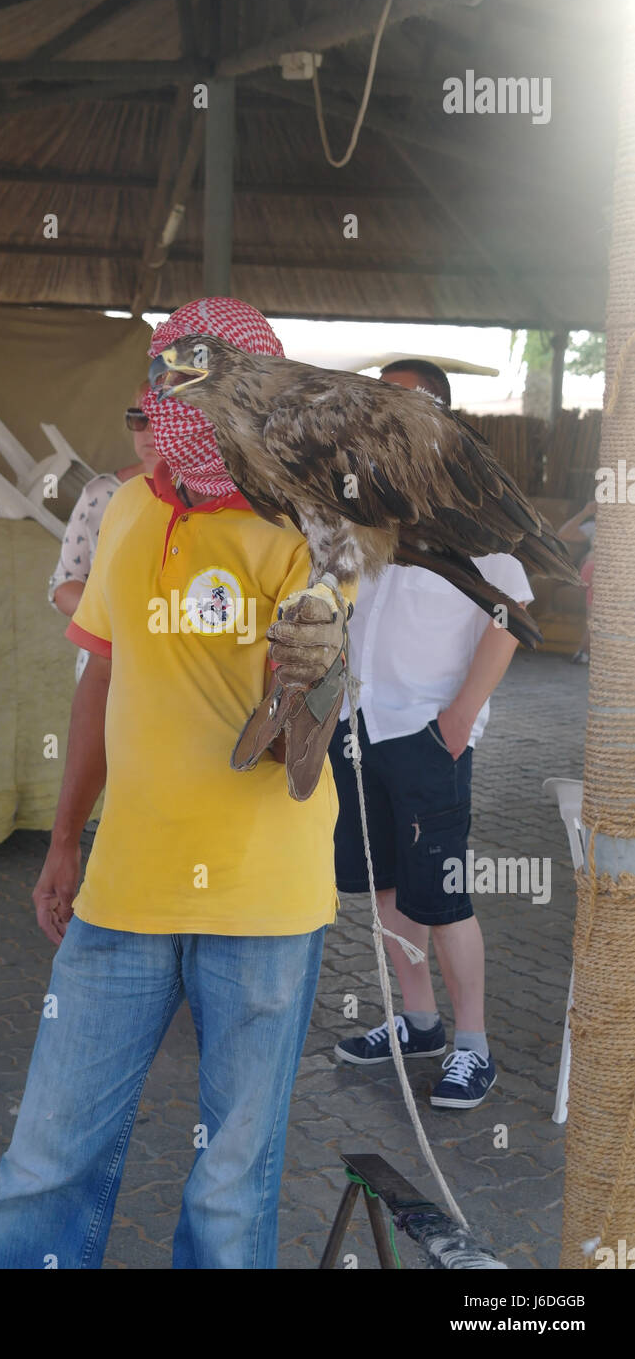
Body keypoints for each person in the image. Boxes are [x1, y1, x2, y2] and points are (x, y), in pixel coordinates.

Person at [0, 298, 354, 1270]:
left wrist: (303, 700)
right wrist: (65, 838)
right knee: (44, 1163)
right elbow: (102, 676)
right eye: (166, 401)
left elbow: (295, 730)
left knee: (229, 1192)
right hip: (122, 892)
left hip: (263, 903)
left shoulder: (311, 533)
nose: (172, 424)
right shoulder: (130, 510)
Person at [329, 358, 533, 1110]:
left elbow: (510, 610)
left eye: (404, 403)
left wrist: (456, 719)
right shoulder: (367, 507)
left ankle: (473, 1045)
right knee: (383, 887)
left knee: (442, 896)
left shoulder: (471, 508)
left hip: (425, 734)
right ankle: (418, 1022)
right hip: (358, 725)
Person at [49, 383, 159, 682]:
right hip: (105, 673)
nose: (148, 431)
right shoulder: (102, 493)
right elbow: (63, 586)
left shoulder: (210, 500)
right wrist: (122, 617)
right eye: (139, 419)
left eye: (161, 417)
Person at [558, 499, 596, 664]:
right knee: (595, 614)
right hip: (595, 571)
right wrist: (586, 512)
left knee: (594, 614)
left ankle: (583, 651)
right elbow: (563, 534)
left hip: (613, 573)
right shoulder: (595, 526)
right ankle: (584, 652)